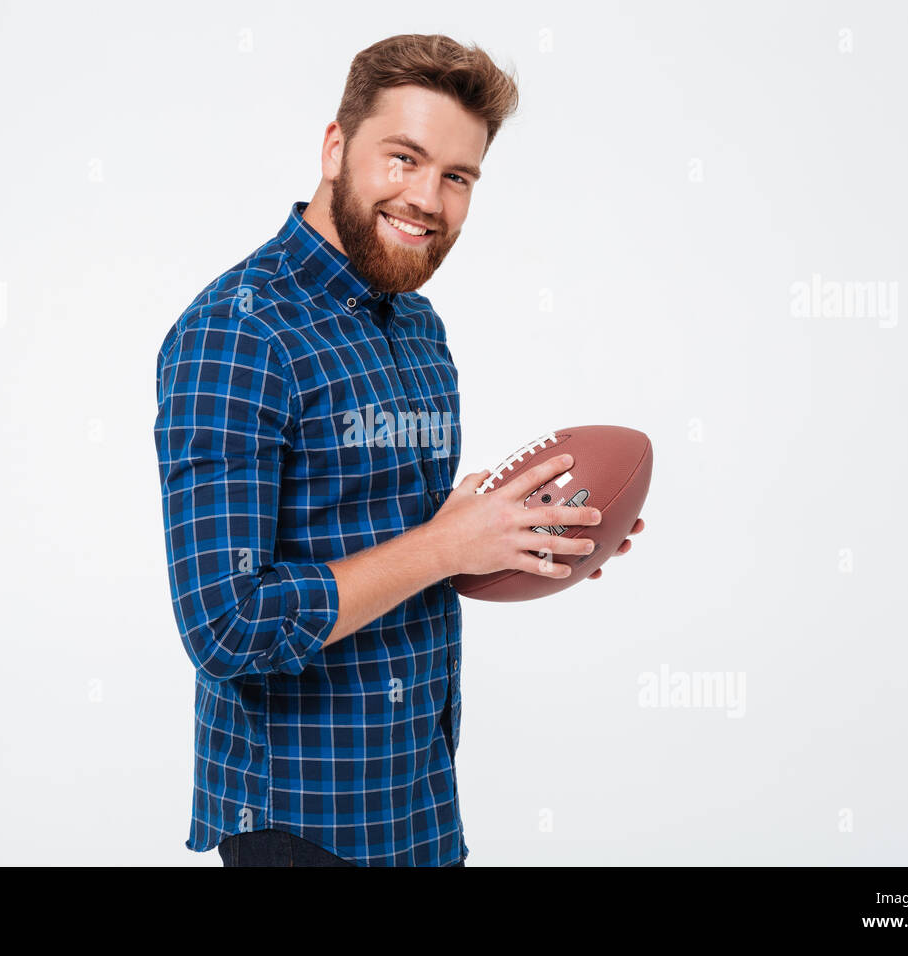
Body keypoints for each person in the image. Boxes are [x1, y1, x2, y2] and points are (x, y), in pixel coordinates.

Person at [153, 33, 644, 867]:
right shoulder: (237, 335)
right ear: (337, 146)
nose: (428, 198)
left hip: (416, 803)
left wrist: (523, 538)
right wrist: (446, 543)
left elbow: (404, 548)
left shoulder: (417, 325)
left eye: (458, 177)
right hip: (302, 825)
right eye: (404, 158)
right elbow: (225, 626)